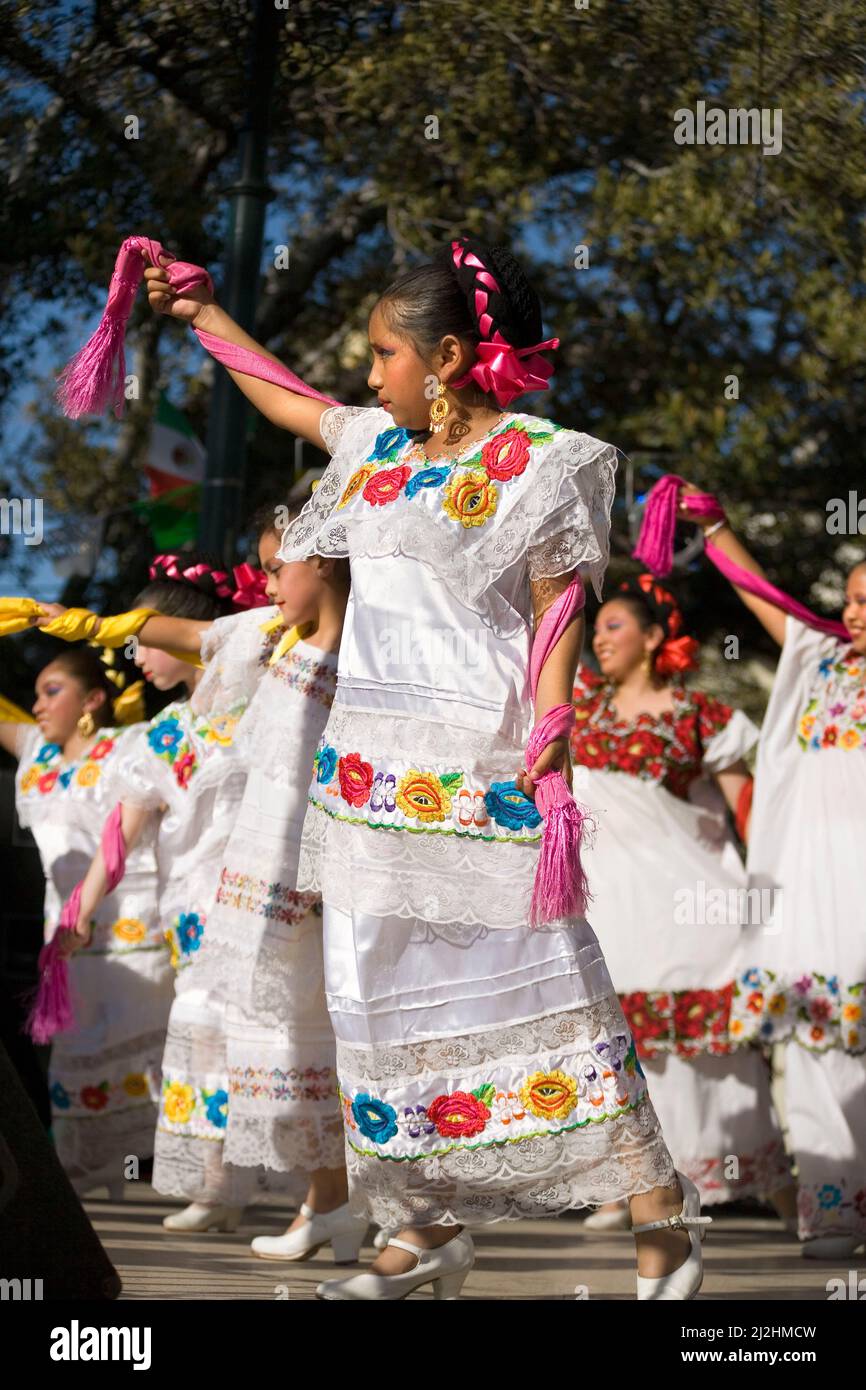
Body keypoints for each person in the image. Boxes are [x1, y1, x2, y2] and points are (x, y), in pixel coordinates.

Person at [144, 234, 712, 1300]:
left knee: (549, 992)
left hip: (485, 774)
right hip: (364, 788)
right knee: (373, 1004)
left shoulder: (544, 462)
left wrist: (551, 744)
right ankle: (421, 1230)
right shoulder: (374, 453)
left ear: (445, 357)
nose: (367, 375)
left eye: (382, 355)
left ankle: (661, 1217)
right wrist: (203, 314)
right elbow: (287, 398)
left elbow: (558, 616)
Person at [568, 573, 795, 1230]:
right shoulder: (581, 713)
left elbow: (748, 809)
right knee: (624, 1046)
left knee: (715, 1055)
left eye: (615, 625)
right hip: (614, 908)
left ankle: (786, 1197)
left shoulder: (704, 716)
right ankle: (633, 1186)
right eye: (598, 626)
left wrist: (779, 890)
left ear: (655, 636)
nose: (601, 638)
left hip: (693, 908)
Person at [680, 481, 866, 1258]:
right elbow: (764, 595)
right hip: (812, 882)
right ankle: (834, 1209)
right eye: (851, 598)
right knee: (817, 1043)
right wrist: (714, 527)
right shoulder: (819, 659)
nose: (854, 612)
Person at [1, 648, 170, 1195]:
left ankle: (151, 1180)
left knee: (147, 1057)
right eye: (36, 693)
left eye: (52, 690)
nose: (37, 703)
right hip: (68, 940)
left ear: (92, 700)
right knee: (78, 1057)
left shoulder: (130, 747)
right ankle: (93, 1179)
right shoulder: (36, 756)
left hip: (134, 931)